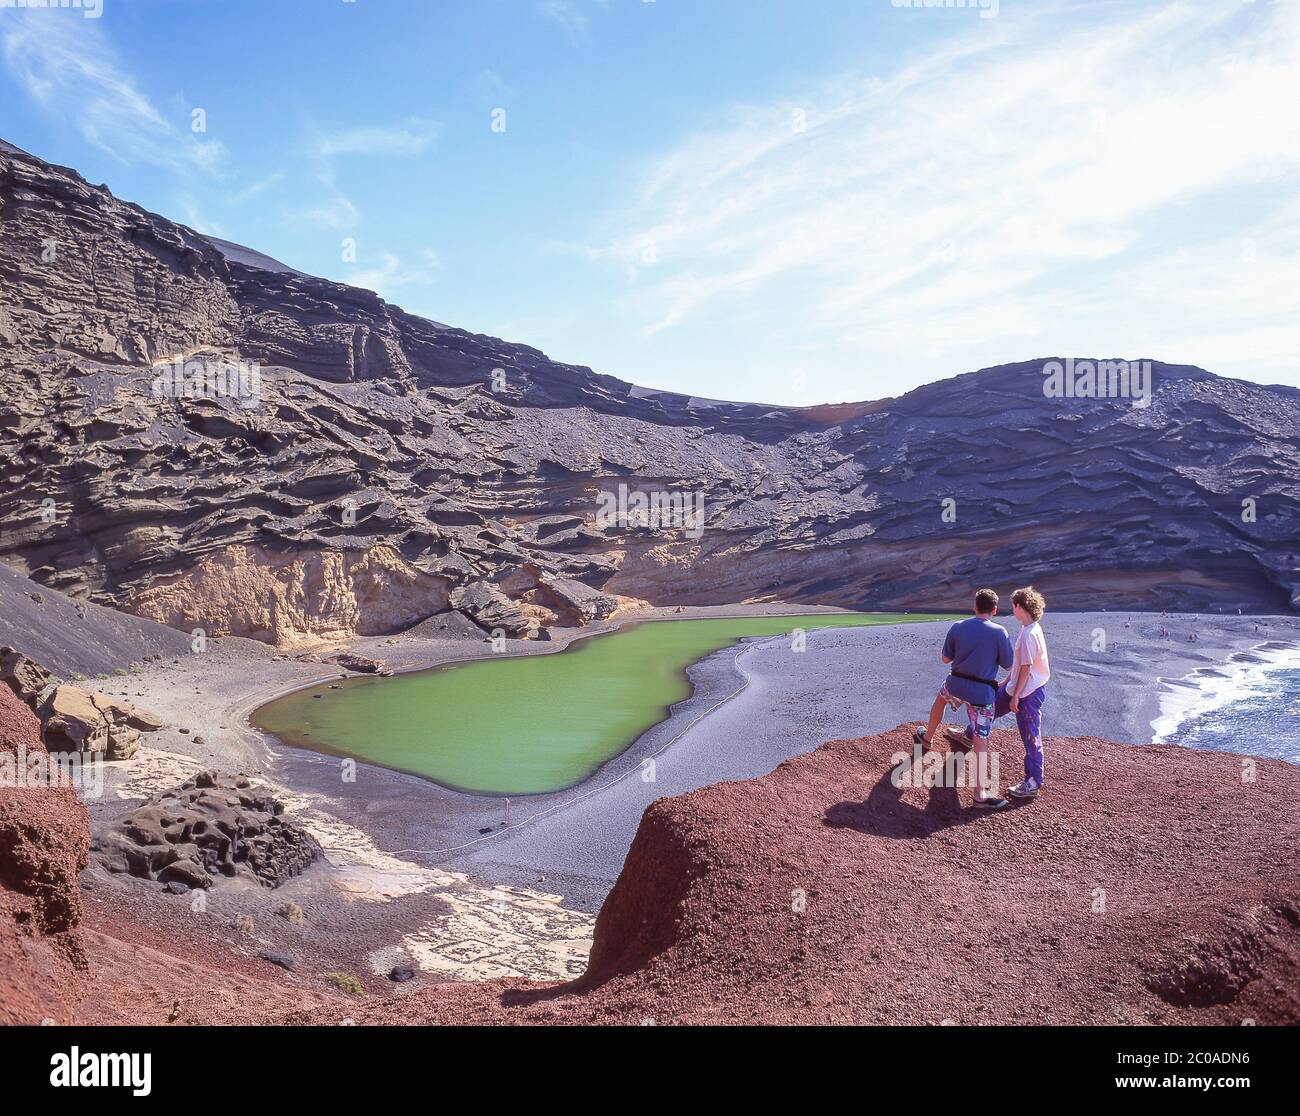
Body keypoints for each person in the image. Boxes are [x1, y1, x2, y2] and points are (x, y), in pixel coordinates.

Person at [946, 585, 1050, 800]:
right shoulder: (1030, 627)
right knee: (987, 711)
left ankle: (1033, 782)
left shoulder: (1030, 633)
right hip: (1018, 688)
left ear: (1021, 606)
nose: (1012, 610)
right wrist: (1003, 684)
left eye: (1014, 606)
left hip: (1027, 693)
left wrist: (1016, 697)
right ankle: (968, 736)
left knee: (1031, 735)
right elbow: (1019, 666)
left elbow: (1026, 667)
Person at [914, 588, 1014, 809]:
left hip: (955, 686)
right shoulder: (1000, 632)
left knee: (940, 700)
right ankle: (980, 794)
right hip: (982, 695)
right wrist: (1000, 681)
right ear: (994, 610)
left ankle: (927, 738)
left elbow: (944, 659)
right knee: (981, 740)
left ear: (974, 606)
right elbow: (1009, 665)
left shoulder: (958, 627)